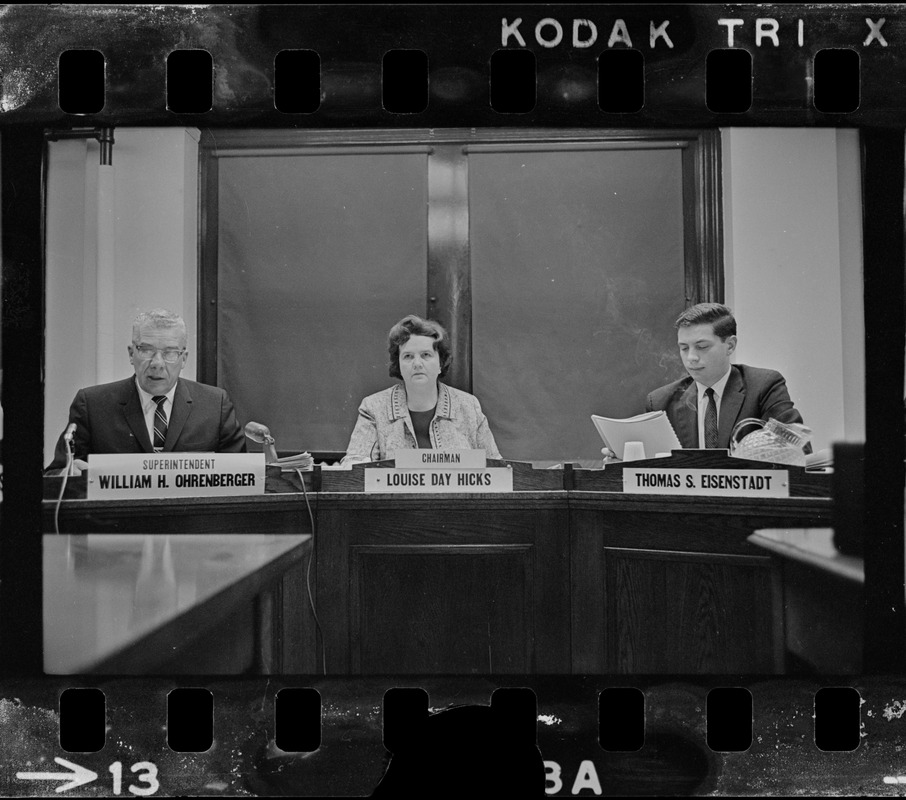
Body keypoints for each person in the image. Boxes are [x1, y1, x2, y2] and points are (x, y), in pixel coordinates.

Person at [46, 308, 245, 472]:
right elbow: (54, 475)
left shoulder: (215, 405)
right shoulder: (92, 405)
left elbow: (243, 475)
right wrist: (68, 475)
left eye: (169, 353)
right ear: (131, 354)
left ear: (183, 359)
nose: (157, 363)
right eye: (146, 350)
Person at [603, 302, 808, 457]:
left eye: (702, 347)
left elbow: (798, 451)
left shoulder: (763, 386)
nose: (691, 357)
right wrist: (624, 460)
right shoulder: (661, 401)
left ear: (730, 345)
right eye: (684, 348)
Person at [342, 315, 502, 463]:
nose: (417, 364)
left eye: (426, 355)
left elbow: (497, 469)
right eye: (408, 356)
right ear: (398, 365)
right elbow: (354, 466)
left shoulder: (469, 406)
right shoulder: (373, 408)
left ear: (441, 363)